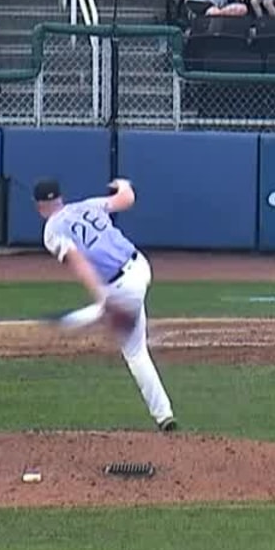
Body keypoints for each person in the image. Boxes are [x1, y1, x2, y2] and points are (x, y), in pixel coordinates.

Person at [36, 178, 178, 432]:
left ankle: (164, 416)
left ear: (39, 206)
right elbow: (126, 199)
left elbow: (78, 261)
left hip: (121, 285)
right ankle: (94, 313)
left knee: (134, 352)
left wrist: (100, 294)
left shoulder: (51, 230)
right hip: (141, 267)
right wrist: (123, 184)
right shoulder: (88, 205)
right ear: (60, 197)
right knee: (127, 327)